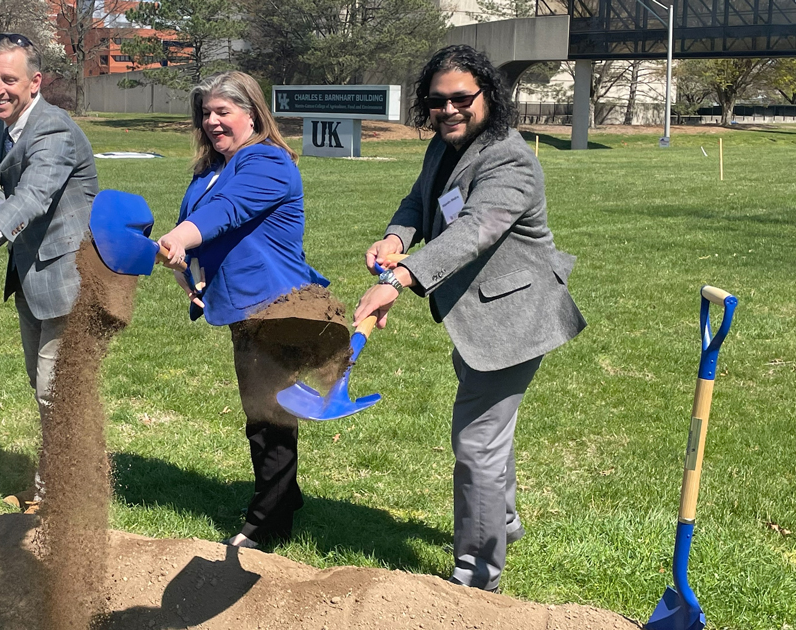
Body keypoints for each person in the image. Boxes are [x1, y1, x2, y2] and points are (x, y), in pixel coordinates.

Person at [354, 45, 586, 592]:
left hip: (517, 316)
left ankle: (477, 578)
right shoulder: (445, 144)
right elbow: (419, 200)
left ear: (488, 95)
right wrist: (396, 237)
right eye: (438, 100)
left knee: (478, 442)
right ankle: (503, 522)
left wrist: (401, 278)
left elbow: (474, 230)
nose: (449, 109)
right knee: (489, 433)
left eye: (461, 98)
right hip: (478, 314)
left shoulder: (510, 160)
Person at [157, 71, 331, 549]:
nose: (212, 121)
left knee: (269, 418)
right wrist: (188, 271)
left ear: (252, 114)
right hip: (243, 307)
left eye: (223, 111)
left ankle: (267, 524)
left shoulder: (267, 162)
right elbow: (199, 226)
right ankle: (283, 498)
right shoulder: (210, 169)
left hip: (277, 306)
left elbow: (225, 212)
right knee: (263, 410)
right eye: (206, 113)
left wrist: (180, 238)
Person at [0, 33, 98, 510]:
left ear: (35, 81)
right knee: (42, 383)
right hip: (30, 272)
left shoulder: (54, 131)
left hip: (71, 274)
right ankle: (63, 482)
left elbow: (32, 197)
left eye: (9, 79)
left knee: (56, 389)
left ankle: (60, 495)